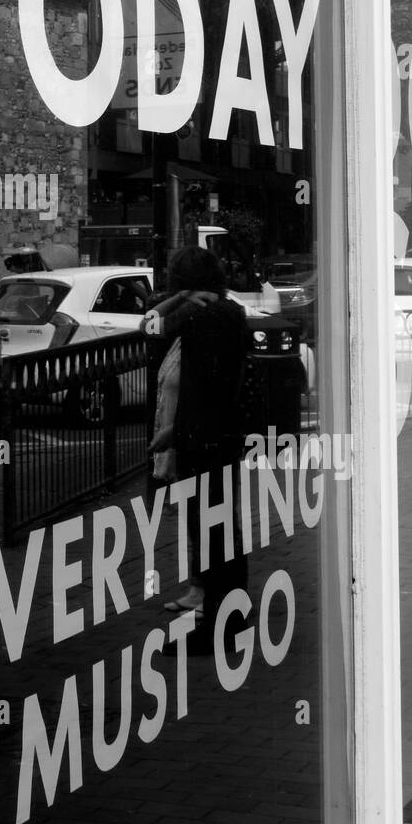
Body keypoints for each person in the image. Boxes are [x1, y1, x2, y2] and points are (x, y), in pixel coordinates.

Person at [146, 246, 249, 651]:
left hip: (201, 438)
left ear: (182, 281)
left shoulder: (200, 319)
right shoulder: (230, 311)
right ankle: (234, 612)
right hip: (223, 434)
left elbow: (153, 327)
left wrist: (172, 431)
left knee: (209, 532)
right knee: (224, 528)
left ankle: (215, 626)